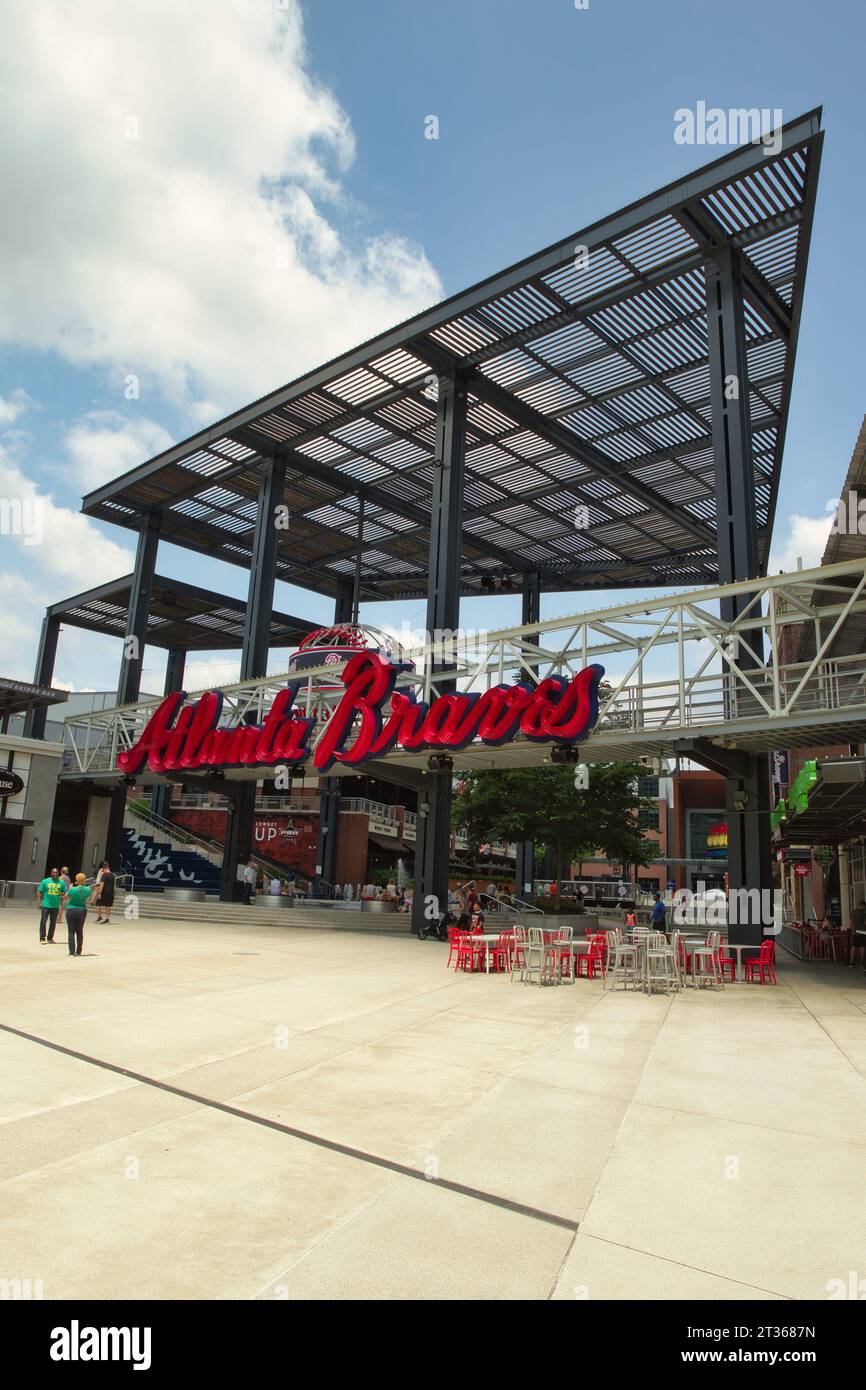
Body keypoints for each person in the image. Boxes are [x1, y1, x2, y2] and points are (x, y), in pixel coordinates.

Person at [64, 873, 92, 956]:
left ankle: (71, 951)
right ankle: (79, 950)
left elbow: (65, 897)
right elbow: (87, 899)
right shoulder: (88, 889)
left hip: (71, 909)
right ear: (84, 880)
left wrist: (69, 888)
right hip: (82, 910)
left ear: (76, 880)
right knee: (79, 931)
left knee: (71, 931)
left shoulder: (72, 889)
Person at [37, 867, 63, 944]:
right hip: (46, 905)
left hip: (55, 906)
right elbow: (39, 892)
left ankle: (50, 938)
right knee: (43, 921)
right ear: (51, 873)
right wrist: (39, 902)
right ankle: (42, 937)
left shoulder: (61, 882)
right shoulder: (45, 881)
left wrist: (62, 893)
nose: (55, 874)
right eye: (53, 872)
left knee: (53, 923)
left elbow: (64, 892)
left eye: (56, 873)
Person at [850, 900, 866, 967]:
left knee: (853, 947)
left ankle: (851, 963)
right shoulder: (864, 914)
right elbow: (865, 923)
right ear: (863, 906)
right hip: (862, 932)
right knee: (862, 947)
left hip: (854, 932)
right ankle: (862, 963)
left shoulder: (853, 912)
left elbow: (850, 922)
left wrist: (851, 929)